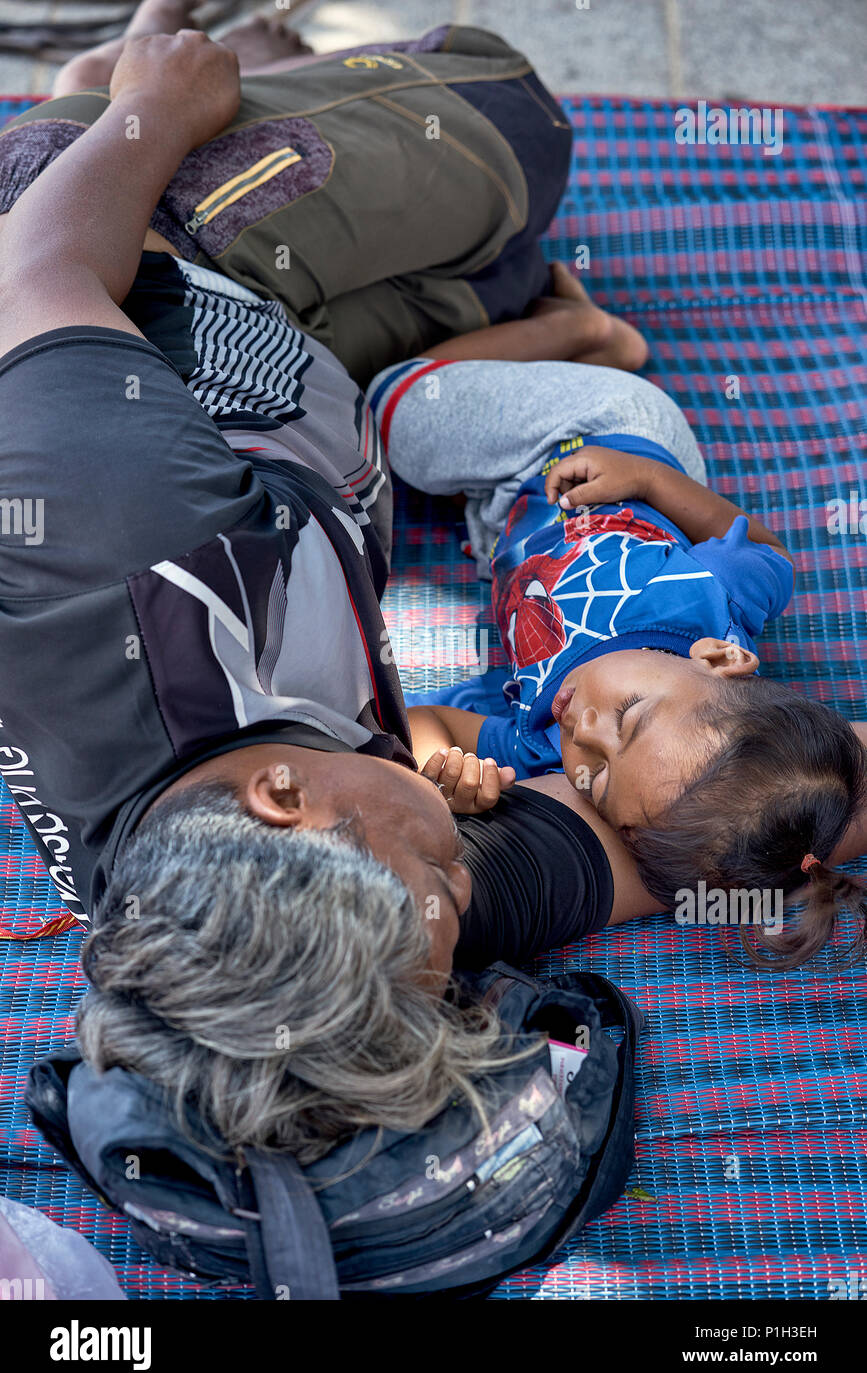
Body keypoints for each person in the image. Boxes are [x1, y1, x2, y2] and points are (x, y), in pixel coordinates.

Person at [0, 14, 658, 1158]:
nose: (471, 857)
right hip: (283, 399)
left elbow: (33, 276)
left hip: (114, 265)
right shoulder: (294, 916)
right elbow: (677, 820)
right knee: (503, 266)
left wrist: (155, 113)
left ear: (283, 798)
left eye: (449, 887)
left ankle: (117, 93)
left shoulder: (120, 544)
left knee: (519, 127)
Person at [371, 340, 867, 969]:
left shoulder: (536, 747)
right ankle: (583, 332)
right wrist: (652, 480)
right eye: (629, 715)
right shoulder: (709, 601)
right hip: (601, 438)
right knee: (394, 401)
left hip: (507, 516)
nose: (582, 728)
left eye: (596, 776)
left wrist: (442, 770)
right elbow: (767, 551)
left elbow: (427, 720)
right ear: (720, 660)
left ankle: (570, 336)